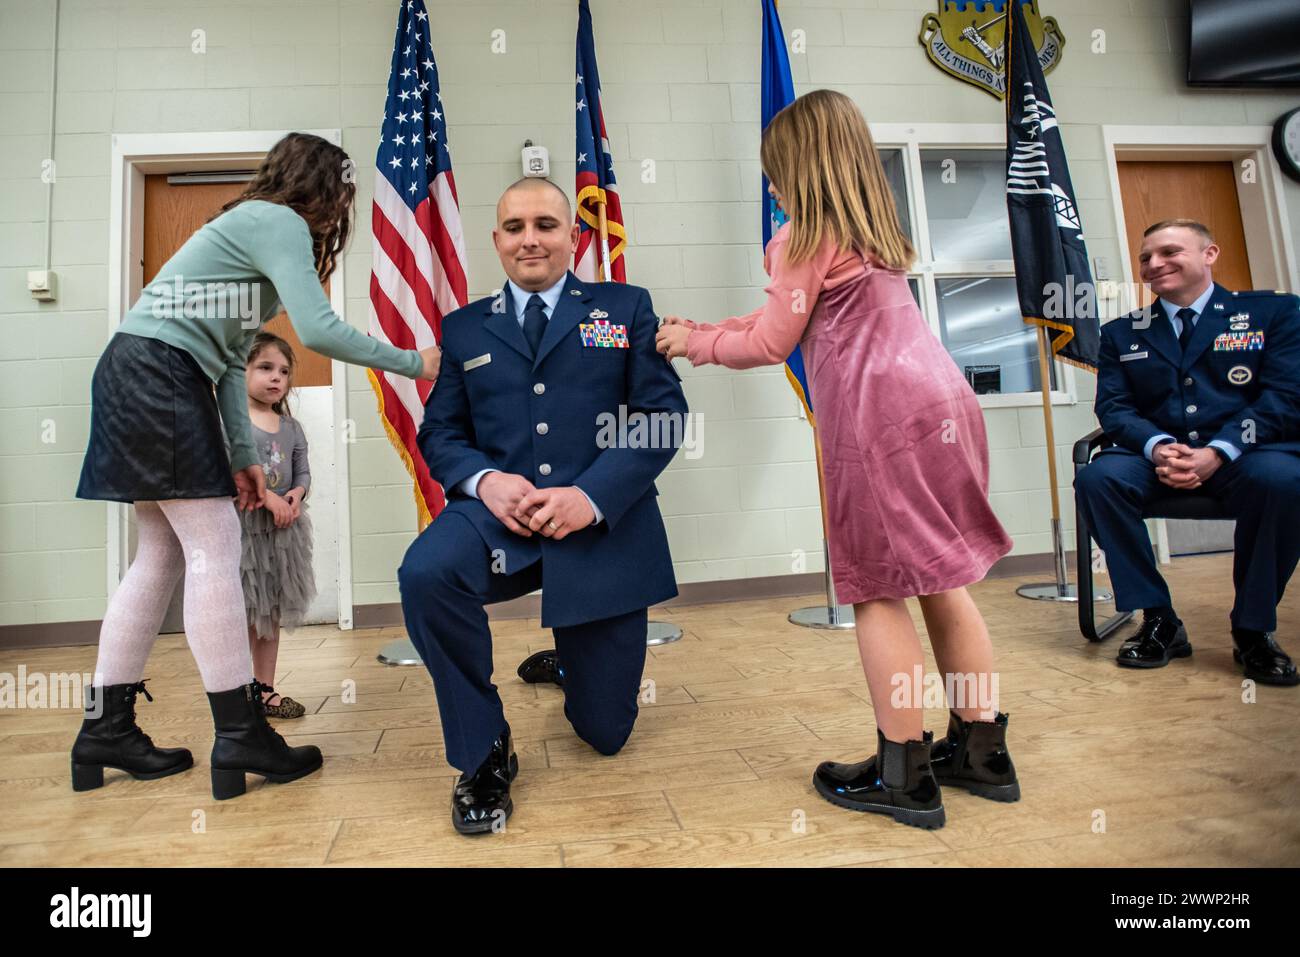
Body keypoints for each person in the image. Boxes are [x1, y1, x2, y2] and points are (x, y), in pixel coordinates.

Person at [655, 89, 1018, 830]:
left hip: (877, 423)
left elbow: (767, 344)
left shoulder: (798, 238)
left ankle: (904, 773)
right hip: (943, 405)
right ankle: (981, 749)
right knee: (943, 578)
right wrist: (700, 326)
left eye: (774, 172)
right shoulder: (871, 234)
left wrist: (693, 344)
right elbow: (777, 317)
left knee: (877, 589)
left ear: (798, 168)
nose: (770, 187)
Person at [72, 132, 440, 799]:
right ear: (323, 188)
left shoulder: (246, 232)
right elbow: (321, 328)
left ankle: (105, 730)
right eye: (341, 198)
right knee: (214, 545)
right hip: (160, 373)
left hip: (138, 369)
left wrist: (244, 458)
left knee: (159, 553)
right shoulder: (279, 222)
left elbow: (226, 366)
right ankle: (241, 733)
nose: (337, 216)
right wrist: (413, 361)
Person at [397, 177, 687, 835]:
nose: (531, 238)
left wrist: (591, 496)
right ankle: (483, 749)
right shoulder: (464, 326)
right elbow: (440, 432)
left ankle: (574, 667)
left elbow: (662, 417)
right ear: (497, 240)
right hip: (498, 519)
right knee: (425, 573)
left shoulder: (624, 307)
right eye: (516, 226)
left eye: (547, 224)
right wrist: (483, 480)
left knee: (605, 733)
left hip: (601, 528)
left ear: (574, 236)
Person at [1075, 219, 1300, 685]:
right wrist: (1157, 448)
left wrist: (1221, 449)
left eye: (1169, 252)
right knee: (1098, 478)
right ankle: (1159, 619)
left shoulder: (1273, 314)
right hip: (1156, 457)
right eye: (1145, 258)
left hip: (1247, 455)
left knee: (1284, 480)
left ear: (1209, 254)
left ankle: (1253, 629)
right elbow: (1115, 410)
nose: (1154, 264)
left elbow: (1285, 396)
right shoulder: (1123, 332)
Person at [236, 332, 315, 719]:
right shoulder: (233, 424)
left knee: (271, 614)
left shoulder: (290, 427)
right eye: (265, 368)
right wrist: (266, 497)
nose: (276, 378)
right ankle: (237, 690)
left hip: (284, 533)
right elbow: (229, 472)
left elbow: (302, 472)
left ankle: (265, 687)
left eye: (283, 371)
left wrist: (296, 494)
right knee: (245, 611)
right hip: (244, 530)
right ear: (242, 371)